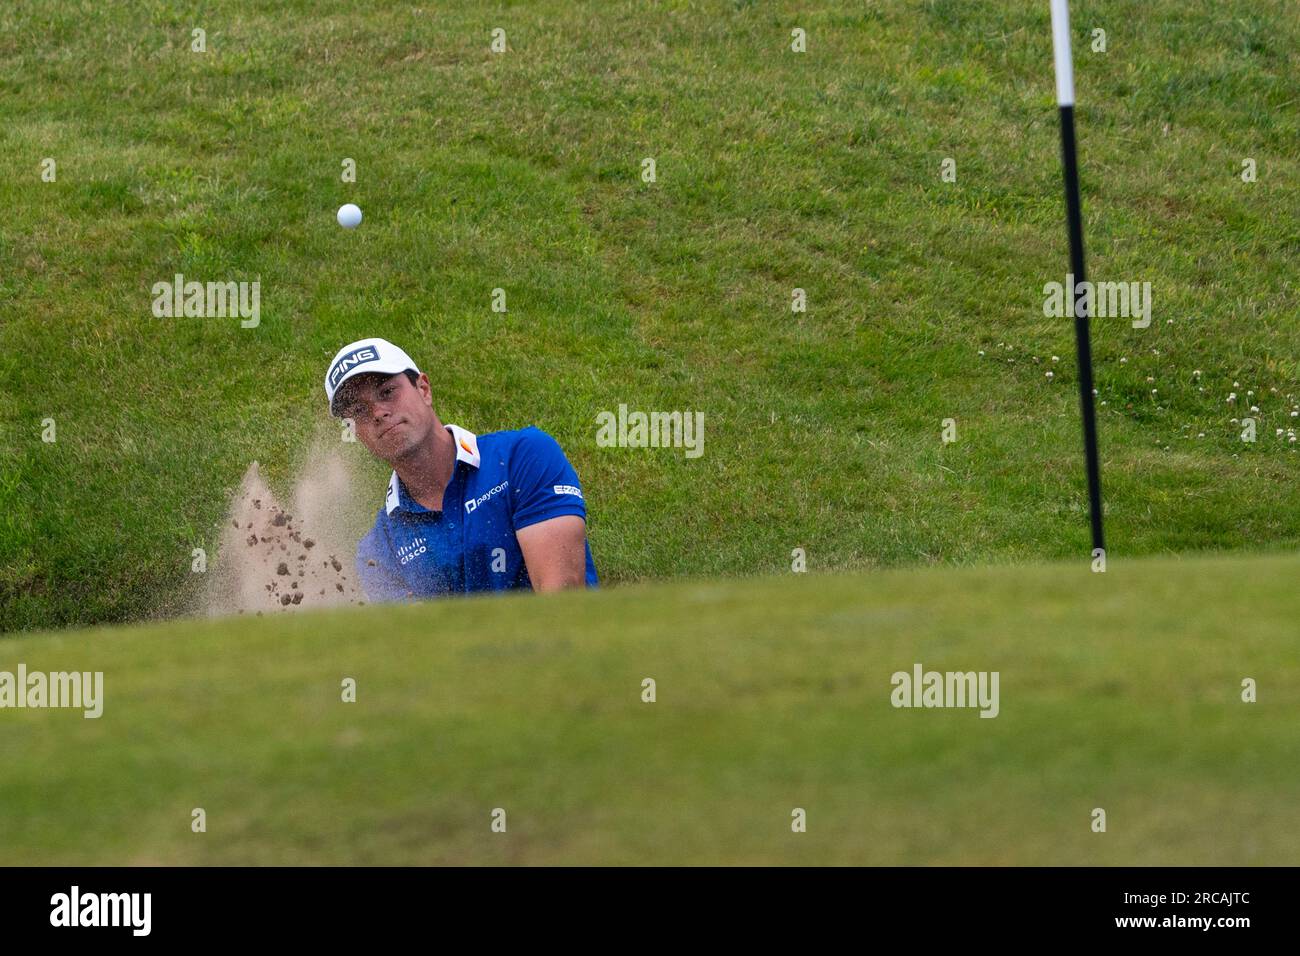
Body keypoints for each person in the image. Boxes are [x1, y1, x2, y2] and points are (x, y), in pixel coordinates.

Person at [323, 337, 597, 601]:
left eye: (387, 392)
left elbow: (562, 602)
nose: (378, 413)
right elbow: (418, 646)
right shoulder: (378, 553)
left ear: (424, 389)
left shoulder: (522, 456)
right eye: (359, 410)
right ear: (356, 432)